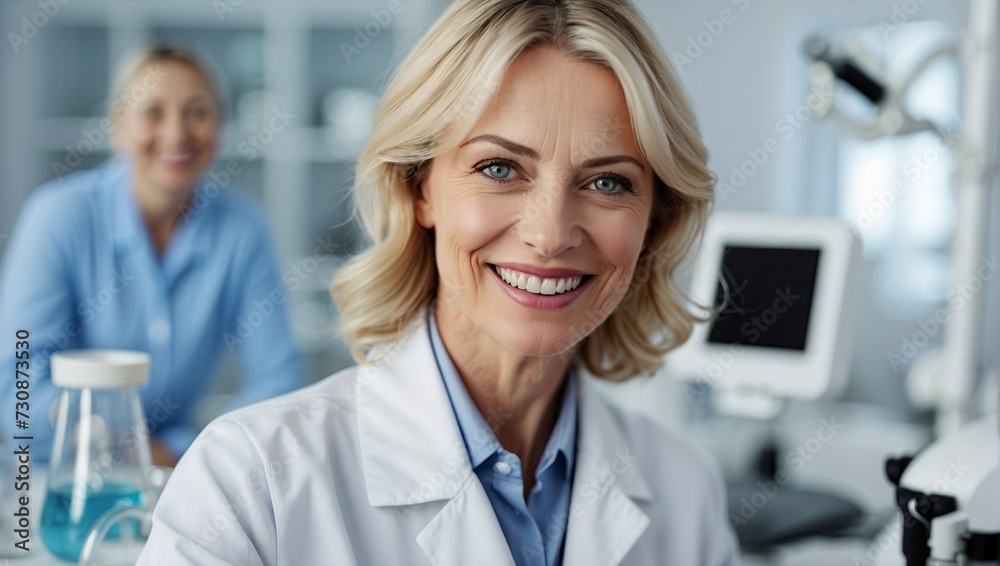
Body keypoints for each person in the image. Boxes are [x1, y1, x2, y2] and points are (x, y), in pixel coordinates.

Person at [139, 0, 740, 564]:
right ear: (419, 187)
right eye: (499, 169)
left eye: (607, 182)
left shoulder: (686, 492)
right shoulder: (249, 481)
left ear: (655, 218)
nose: (551, 234)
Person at [0, 46, 304, 467]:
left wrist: (190, 449)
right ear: (116, 127)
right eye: (153, 113)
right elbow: (15, 381)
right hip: (49, 476)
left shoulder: (242, 229)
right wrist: (121, 444)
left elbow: (279, 382)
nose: (177, 134)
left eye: (198, 112)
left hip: (174, 475)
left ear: (220, 128)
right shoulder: (59, 215)